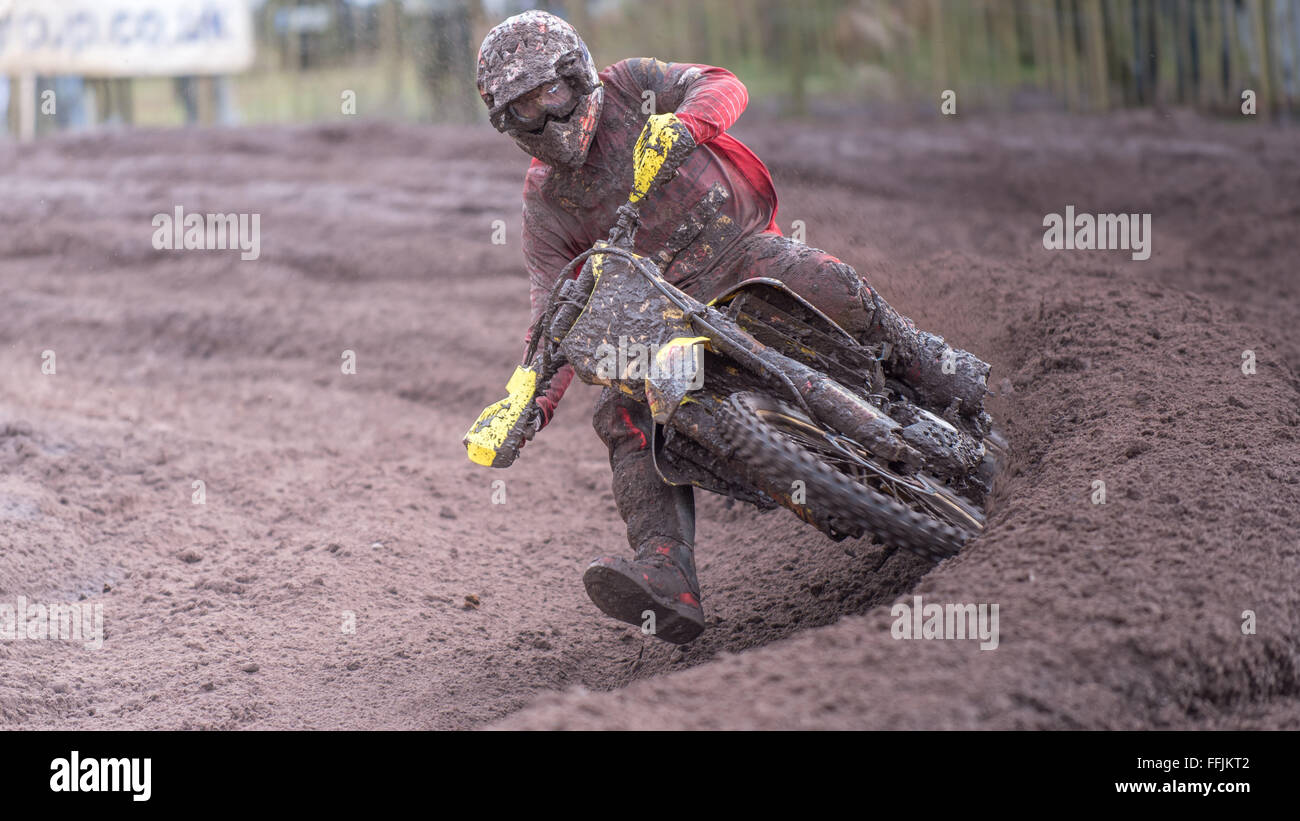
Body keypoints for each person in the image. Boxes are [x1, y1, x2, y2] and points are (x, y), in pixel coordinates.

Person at [476, 10, 987, 644]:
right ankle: (667, 574)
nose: (548, 117)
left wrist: (687, 124)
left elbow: (722, 81)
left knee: (824, 278)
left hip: (740, 253)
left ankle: (946, 375)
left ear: (577, 75)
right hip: (659, 313)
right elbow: (551, 307)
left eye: (551, 93)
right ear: (508, 123)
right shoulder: (544, 201)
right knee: (621, 414)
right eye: (526, 109)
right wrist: (526, 399)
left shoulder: (633, 85)